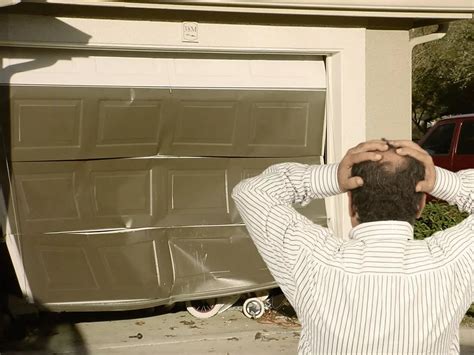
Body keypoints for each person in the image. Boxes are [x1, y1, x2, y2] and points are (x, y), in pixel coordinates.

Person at [232, 139, 473, 355]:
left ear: (350, 205)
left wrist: (333, 176)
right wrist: (440, 180)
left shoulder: (315, 261)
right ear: (420, 204)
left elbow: (253, 192)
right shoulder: (454, 260)